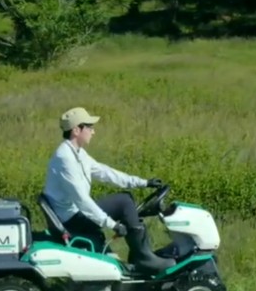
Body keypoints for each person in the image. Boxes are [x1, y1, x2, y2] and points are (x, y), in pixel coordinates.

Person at [42, 106, 175, 275]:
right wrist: (112, 225)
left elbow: (105, 172)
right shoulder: (65, 159)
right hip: (71, 220)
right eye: (89, 127)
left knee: (125, 199)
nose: (93, 131)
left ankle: (141, 255)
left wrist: (143, 182)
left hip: (73, 214)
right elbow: (82, 201)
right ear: (76, 130)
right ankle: (144, 259)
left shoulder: (77, 153)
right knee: (124, 202)